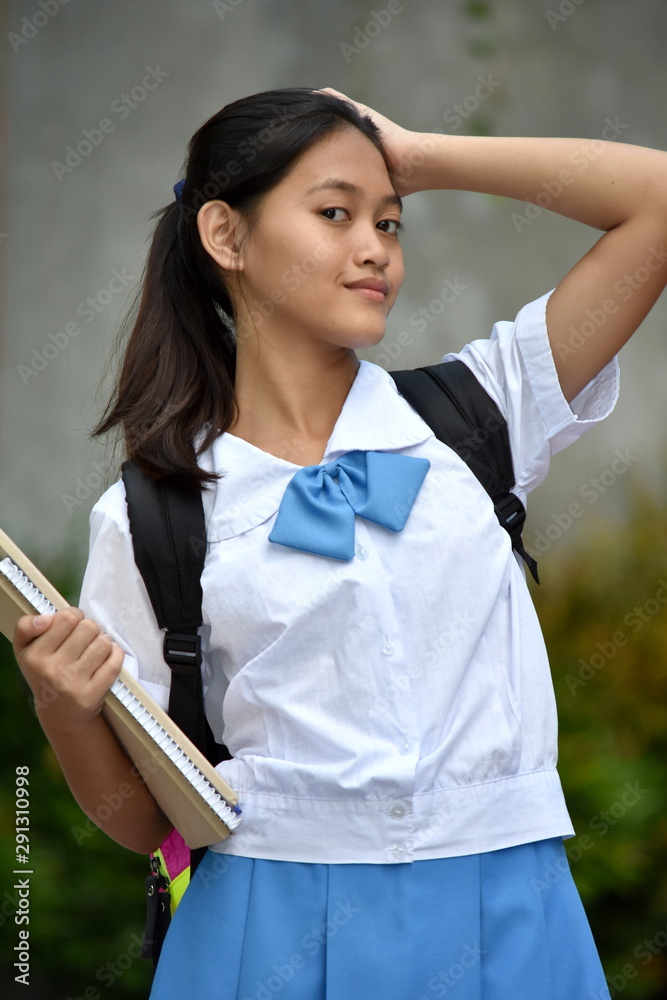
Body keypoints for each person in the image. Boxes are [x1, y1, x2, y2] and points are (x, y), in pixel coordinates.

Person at [12, 86, 667, 999]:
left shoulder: (480, 415)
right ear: (225, 236)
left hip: (509, 908)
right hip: (263, 924)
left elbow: (656, 201)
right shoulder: (152, 514)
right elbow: (144, 824)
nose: (375, 249)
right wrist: (62, 708)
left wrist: (417, 154)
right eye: (334, 213)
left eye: (389, 223)